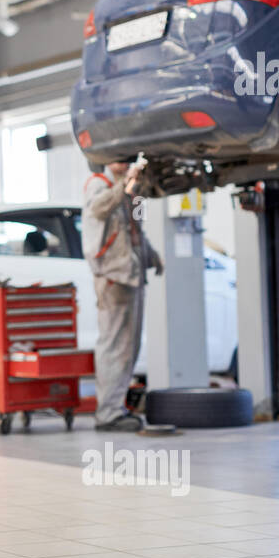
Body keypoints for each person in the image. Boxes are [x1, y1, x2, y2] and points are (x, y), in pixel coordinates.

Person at [83, 158, 162, 432]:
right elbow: (99, 209)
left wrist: (152, 256)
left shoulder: (132, 192)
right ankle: (107, 413)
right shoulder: (98, 185)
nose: (123, 162)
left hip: (132, 276)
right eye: (117, 159)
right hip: (112, 277)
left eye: (126, 158)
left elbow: (136, 230)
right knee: (113, 345)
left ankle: (116, 407)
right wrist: (126, 184)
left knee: (129, 347)